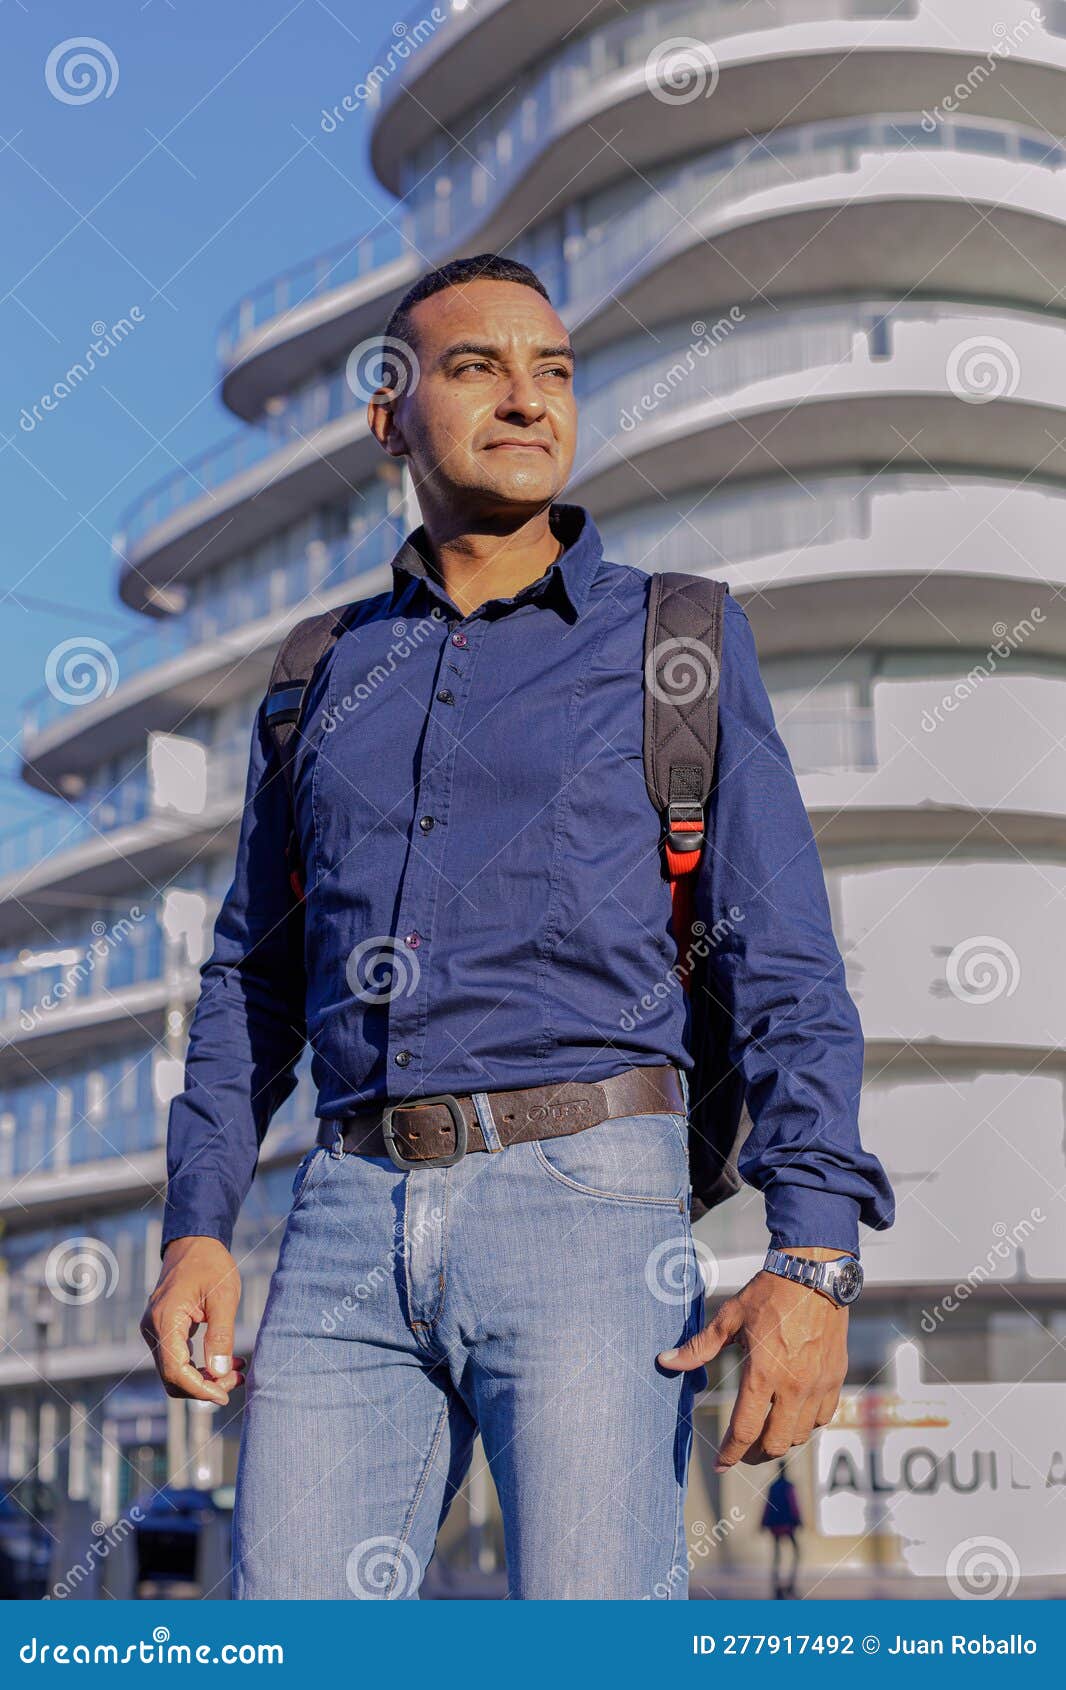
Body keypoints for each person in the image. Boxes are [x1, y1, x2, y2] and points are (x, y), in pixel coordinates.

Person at [140, 253, 894, 1600]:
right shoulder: (317, 673)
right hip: (341, 1217)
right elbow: (252, 972)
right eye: (478, 366)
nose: (527, 398)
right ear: (390, 410)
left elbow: (784, 962)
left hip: (593, 1205)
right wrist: (196, 1221)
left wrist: (811, 1258)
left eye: (551, 370)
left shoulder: (679, 639)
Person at [762, 1460, 803, 1599]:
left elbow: (767, 1506)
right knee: (796, 1553)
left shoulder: (773, 1486)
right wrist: (798, 1520)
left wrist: (764, 1523)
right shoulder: (788, 1486)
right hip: (787, 1524)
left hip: (776, 1524)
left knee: (777, 1555)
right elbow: (793, 1505)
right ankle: (789, 1583)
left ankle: (778, 1584)